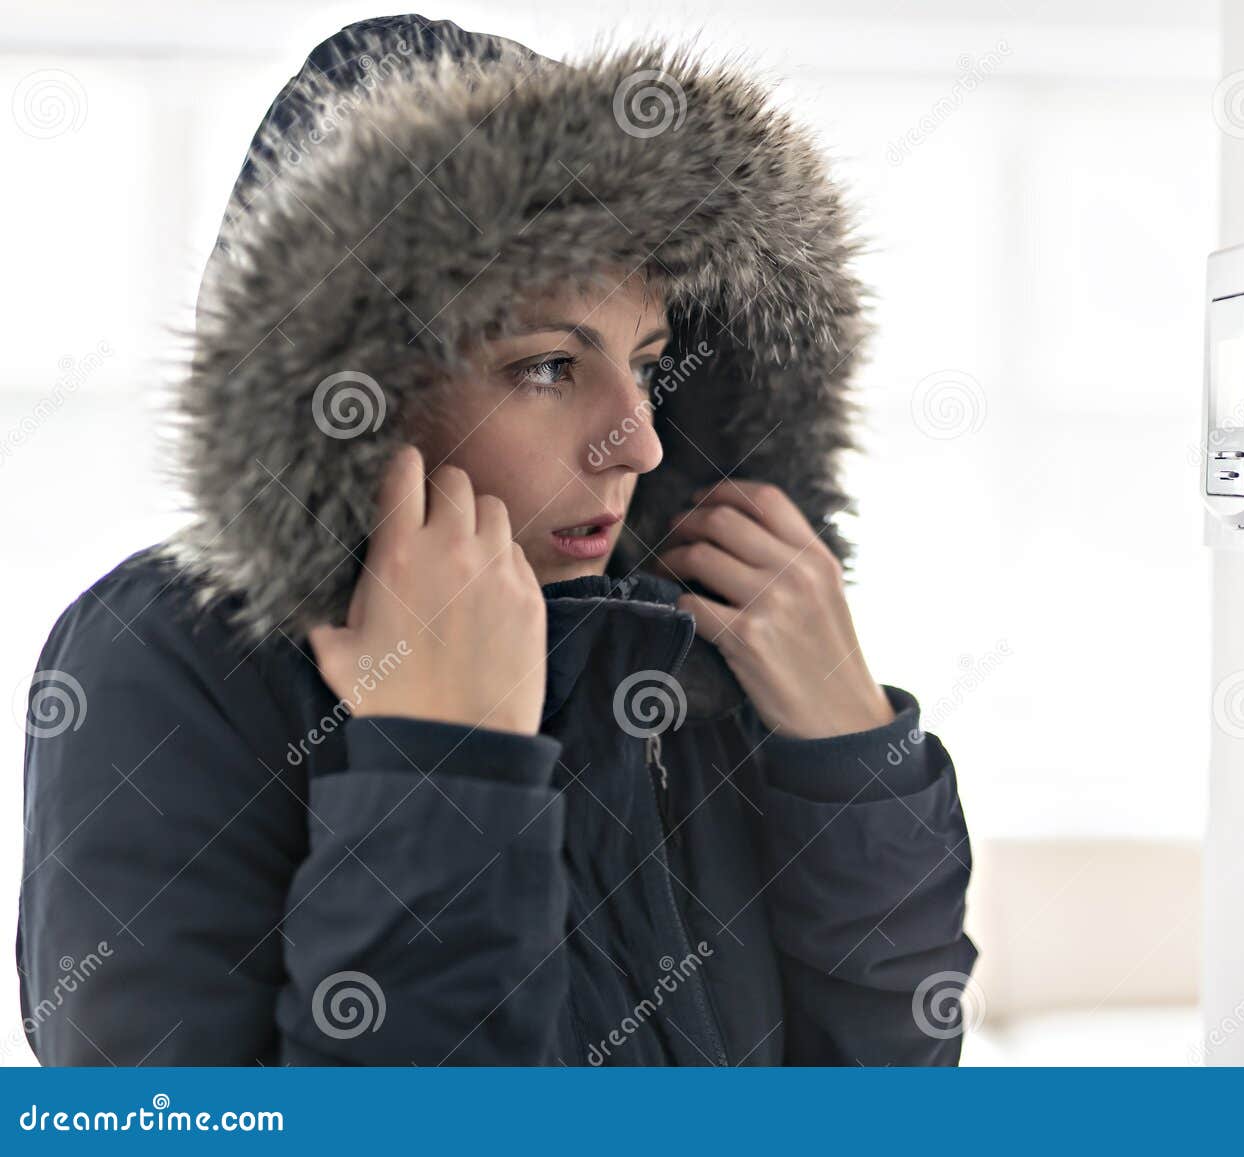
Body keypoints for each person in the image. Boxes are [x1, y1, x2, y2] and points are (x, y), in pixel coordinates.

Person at [15, 13, 977, 1066]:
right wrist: (443, 773)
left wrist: (848, 759)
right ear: (360, 389)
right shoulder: (168, 657)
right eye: (549, 367)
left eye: (649, 364)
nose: (641, 443)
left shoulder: (686, 644)